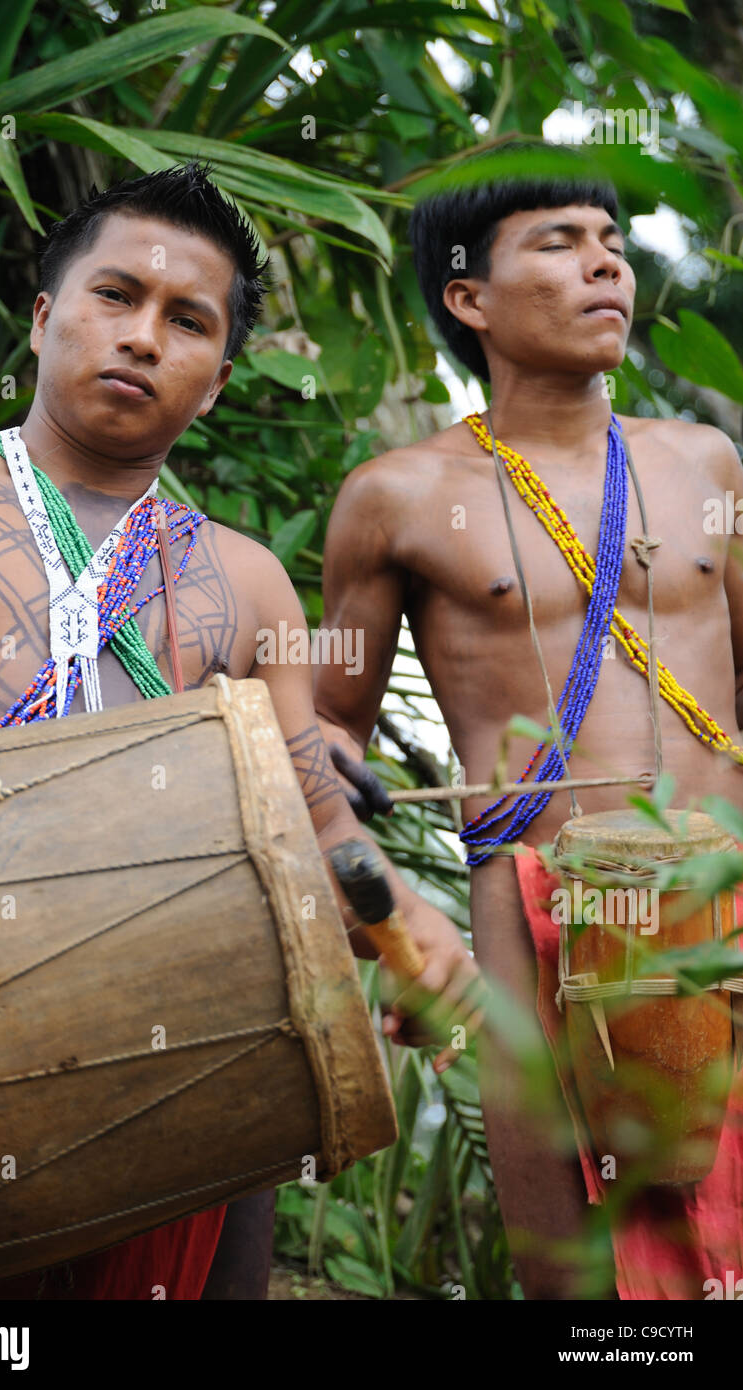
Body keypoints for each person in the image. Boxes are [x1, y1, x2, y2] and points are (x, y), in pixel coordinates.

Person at [0, 162, 482, 1301]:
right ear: (47, 315)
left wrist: (409, 937)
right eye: (116, 296)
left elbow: (316, 827)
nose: (143, 335)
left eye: (187, 320)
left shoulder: (249, 588)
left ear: (212, 384)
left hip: (180, 1061)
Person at [313, 158, 743, 1299]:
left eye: (609, 238)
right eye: (557, 241)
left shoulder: (705, 464)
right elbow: (323, 735)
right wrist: (384, 926)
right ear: (468, 297)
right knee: (582, 1271)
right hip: (538, 906)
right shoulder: (395, 494)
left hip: (725, 893)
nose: (606, 261)